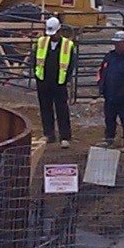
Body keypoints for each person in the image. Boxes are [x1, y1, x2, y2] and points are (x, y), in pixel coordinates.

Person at [32, 15, 77, 148]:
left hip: (59, 83)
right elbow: (35, 60)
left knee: (62, 109)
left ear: (59, 31)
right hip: (43, 81)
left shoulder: (67, 45)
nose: (52, 36)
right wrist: (37, 76)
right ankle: (49, 134)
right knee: (45, 108)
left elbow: (70, 65)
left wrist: (65, 80)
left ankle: (65, 136)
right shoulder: (41, 42)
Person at [96, 30, 124, 147]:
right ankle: (109, 139)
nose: (117, 46)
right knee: (109, 119)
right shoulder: (109, 56)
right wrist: (101, 86)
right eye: (115, 44)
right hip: (110, 94)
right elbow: (101, 71)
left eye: (119, 43)